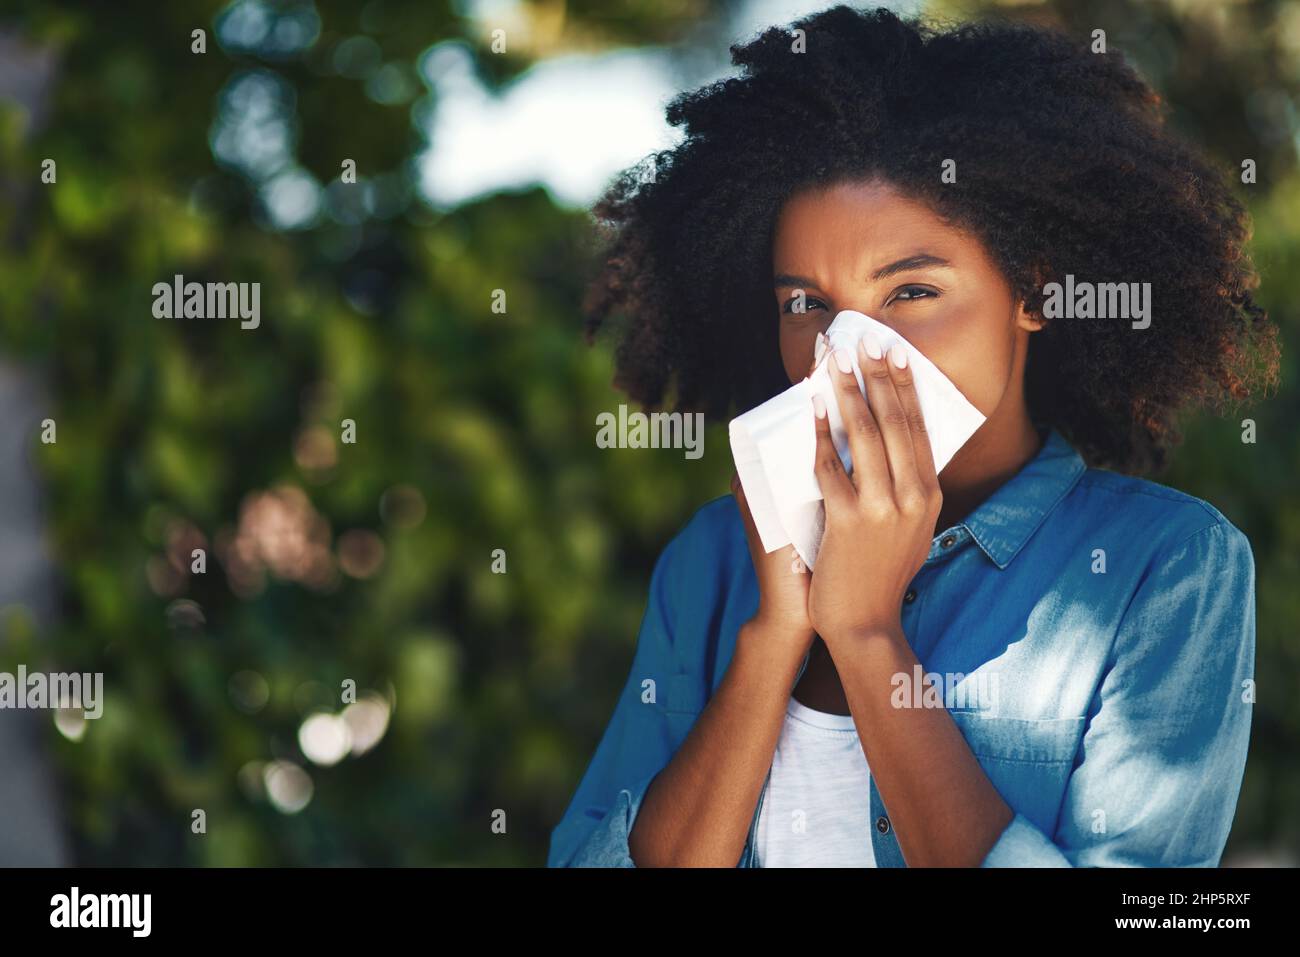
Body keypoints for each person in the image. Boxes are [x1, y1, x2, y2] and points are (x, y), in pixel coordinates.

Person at [548, 5, 1278, 867]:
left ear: (1033, 291)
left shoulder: (1167, 565)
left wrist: (864, 636)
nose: (847, 351)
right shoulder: (711, 563)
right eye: (805, 304)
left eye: (911, 293)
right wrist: (775, 632)